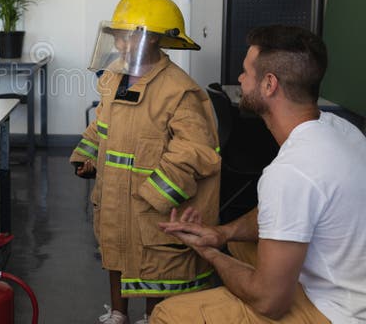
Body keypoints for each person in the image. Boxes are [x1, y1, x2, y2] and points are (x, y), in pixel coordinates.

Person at [152, 25, 366, 324]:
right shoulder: (340, 129)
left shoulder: (291, 171)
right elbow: (280, 212)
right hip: (354, 286)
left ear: (269, 84)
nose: (240, 79)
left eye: (245, 72)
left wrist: (210, 253)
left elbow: (270, 304)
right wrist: (221, 234)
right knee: (240, 242)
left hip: (338, 312)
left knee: (168, 314)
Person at [69, 0, 221, 324]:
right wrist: (86, 155)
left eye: (127, 38)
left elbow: (194, 150)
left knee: (156, 264)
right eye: (118, 38)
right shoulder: (114, 78)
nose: (121, 46)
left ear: (153, 40)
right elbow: (102, 126)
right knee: (115, 253)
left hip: (151, 203)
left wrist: (156, 193)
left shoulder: (178, 90)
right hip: (113, 197)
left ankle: (156, 316)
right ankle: (118, 313)